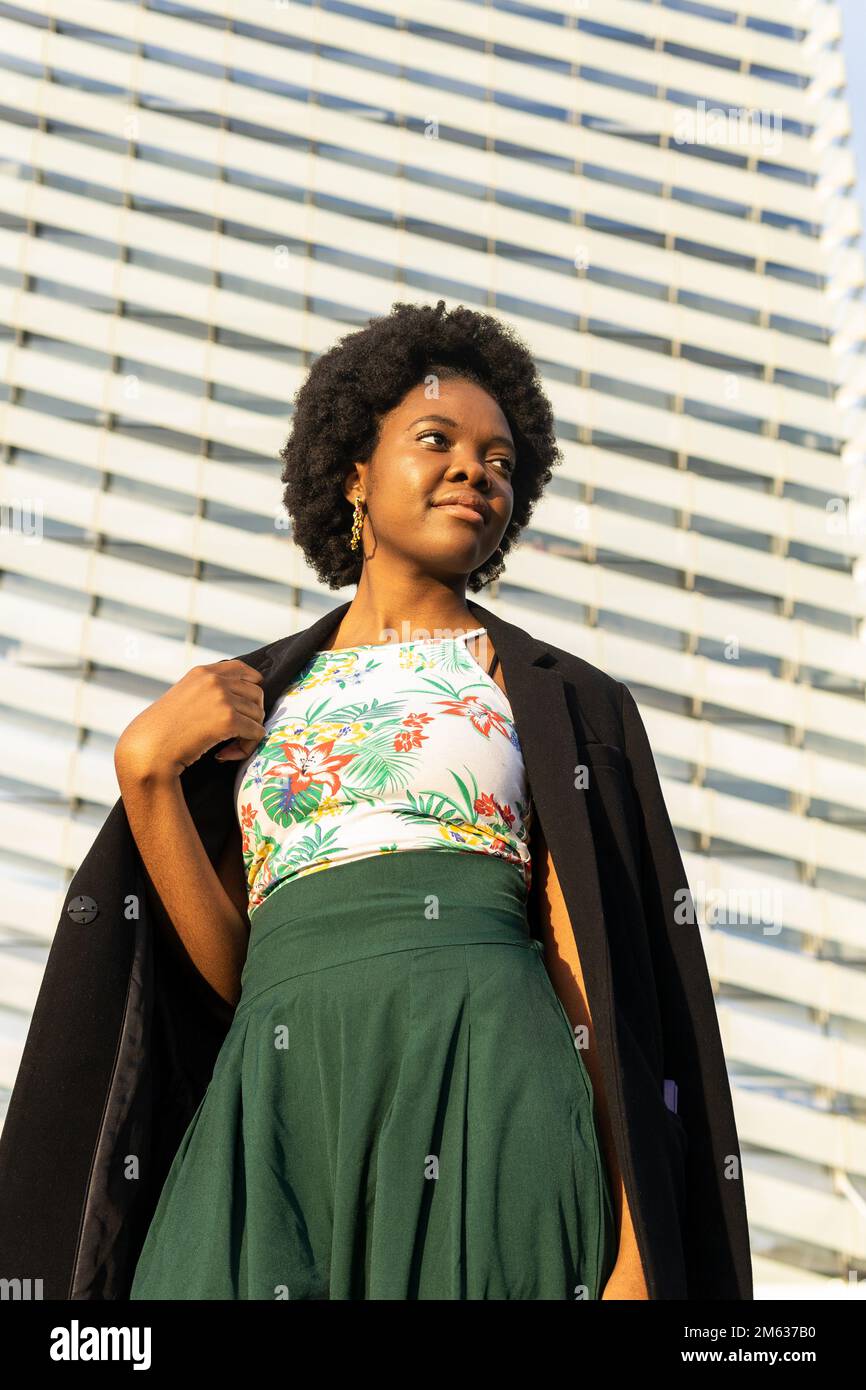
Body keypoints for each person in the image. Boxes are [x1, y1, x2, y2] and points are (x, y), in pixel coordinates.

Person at [12, 299, 748, 1301]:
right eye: (436, 439)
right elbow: (232, 972)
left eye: (499, 459)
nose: (474, 469)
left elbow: (590, 970)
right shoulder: (252, 700)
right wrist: (146, 777)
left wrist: (632, 1246)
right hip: (275, 1101)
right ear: (352, 471)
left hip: (493, 1086)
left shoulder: (555, 696)